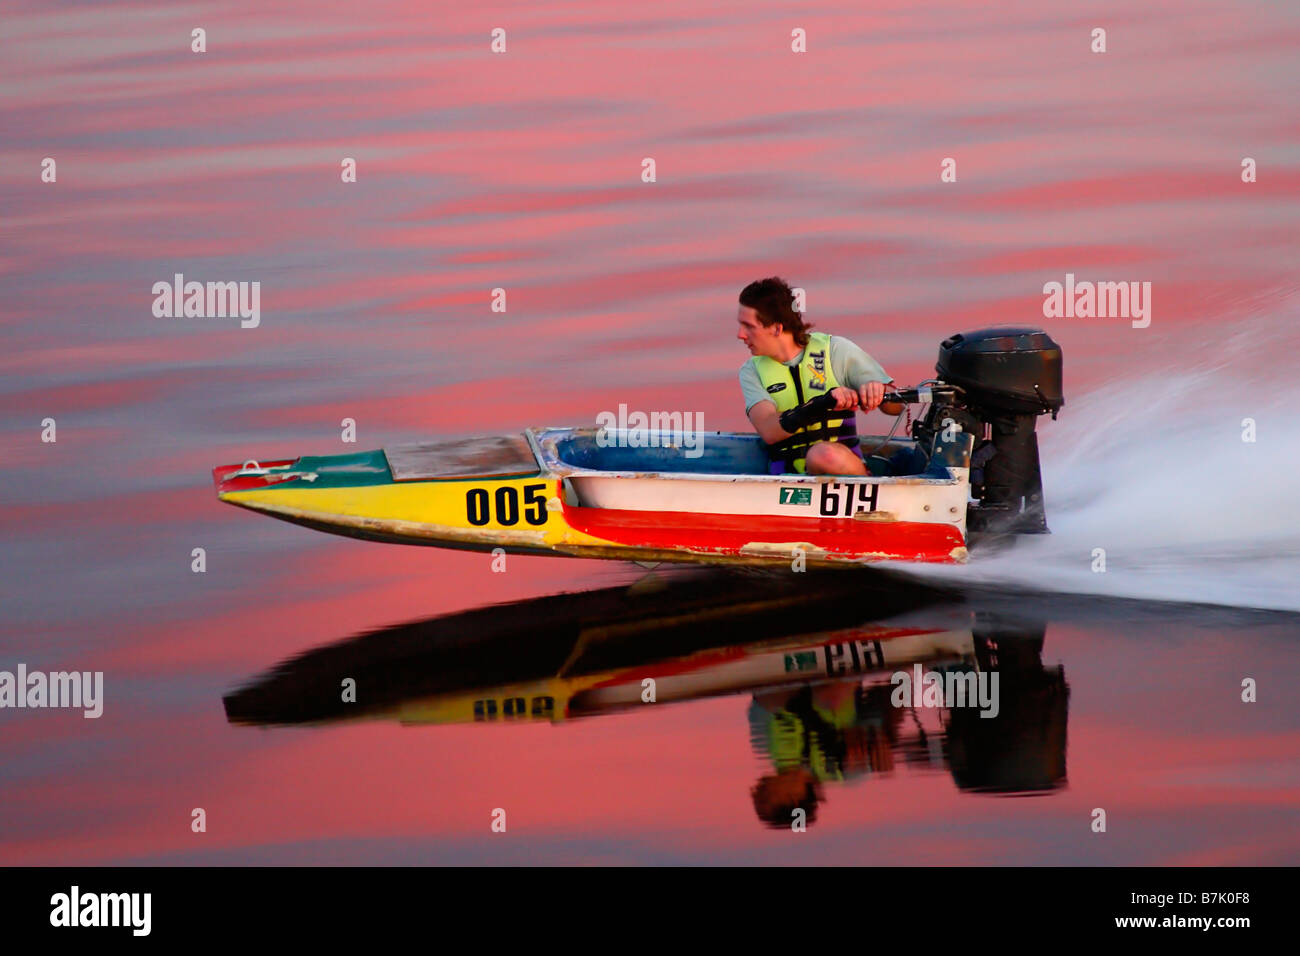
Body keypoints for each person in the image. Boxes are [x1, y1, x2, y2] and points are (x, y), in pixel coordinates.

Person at [737, 277, 903, 475]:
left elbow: (897, 406)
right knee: (820, 454)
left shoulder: (835, 350)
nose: (741, 334)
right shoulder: (752, 371)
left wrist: (878, 391)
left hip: (846, 472)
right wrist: (825, 401)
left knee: (823, 455)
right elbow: (769, 430)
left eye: (749, 326)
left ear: (776, 328)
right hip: (787, 482)